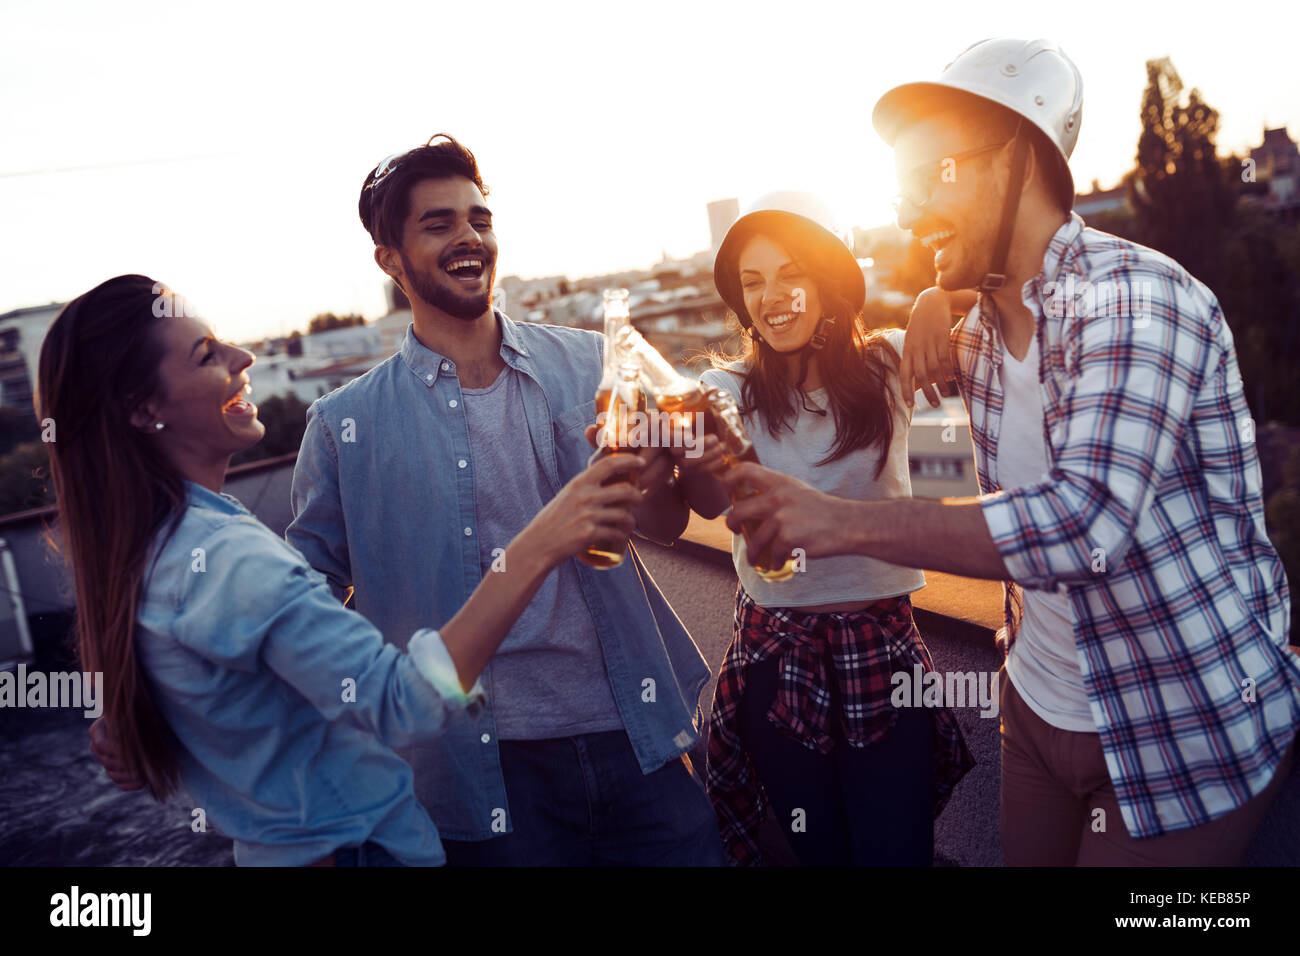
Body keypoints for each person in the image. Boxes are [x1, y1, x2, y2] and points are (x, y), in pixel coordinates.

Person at [722, 38, 1300, 865]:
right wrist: (930, 298)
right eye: (901, 189)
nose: (908, 211)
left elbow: (1081, 526)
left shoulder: (1140, 300)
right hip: (1034, 708)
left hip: (1176, 719)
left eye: (931, 179)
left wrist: (833, 521)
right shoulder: (976, 341)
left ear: (1017, 161)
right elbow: (955, 491)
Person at [57, 274, 646, 865]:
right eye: (207, 355)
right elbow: (403, 703)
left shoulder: (148, 549)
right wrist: (538, 544)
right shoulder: (228, 556)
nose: (244, 356)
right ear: (143, 408)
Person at [285, 134, 724, 865]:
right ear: (388, 259)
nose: (468, 237)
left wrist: (665, 471)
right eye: (439, 224)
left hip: (636, 736)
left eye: (479, 219)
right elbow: (306, 608)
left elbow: (672, 518)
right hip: (480, 770)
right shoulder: (341, 428)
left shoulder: (592, 361)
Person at [676, 191, 973, 866]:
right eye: (752, 282)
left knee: (898, 852)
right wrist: (680, 451)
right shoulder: (726, 389)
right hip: (775, 659)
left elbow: (948, 493)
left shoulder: (898, 362)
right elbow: (702, 505)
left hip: (882, 648)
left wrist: (937, 299)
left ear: (830, 280)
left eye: (790, 274)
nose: (770, 297)